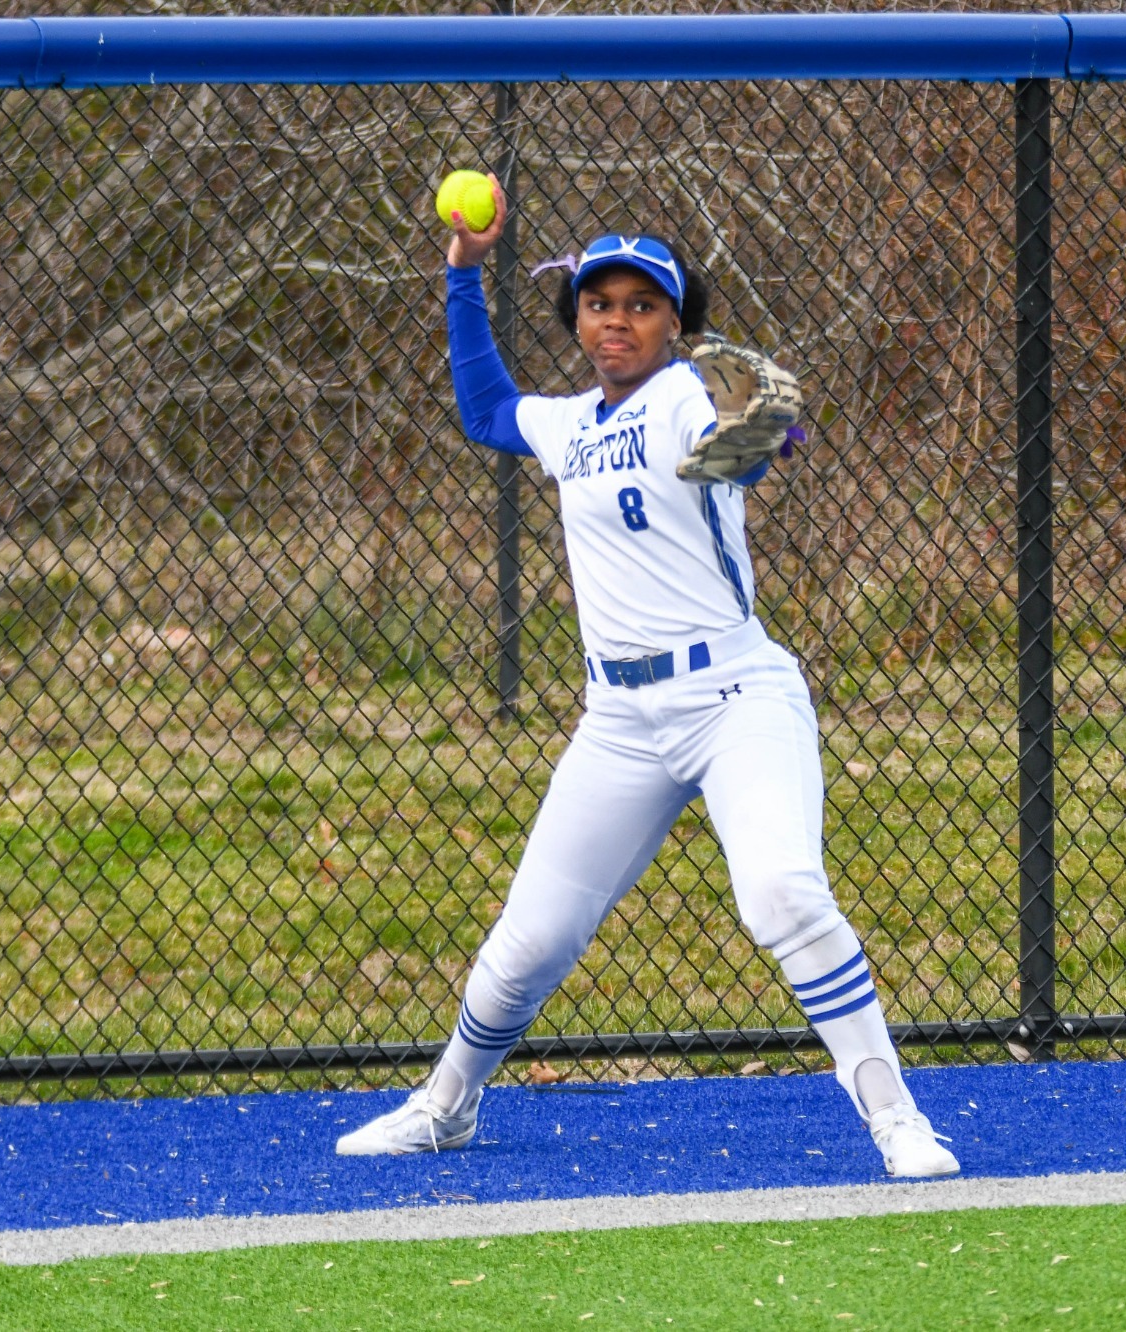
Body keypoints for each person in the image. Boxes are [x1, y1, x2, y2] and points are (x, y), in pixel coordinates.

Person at [335, 177, 958, 1178]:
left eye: (639, 304)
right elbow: (488, 410)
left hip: (733, 698)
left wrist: (755, 438)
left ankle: (895, 1119)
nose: (615, 318)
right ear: (576, 318)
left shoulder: (679, 398)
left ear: (675, 322)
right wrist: (462, 274)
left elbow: (725, 453)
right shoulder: (570, 421)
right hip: (619, 717)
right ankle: (446, 1104)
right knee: (526, 946)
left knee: (782, 894)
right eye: (597, 302)